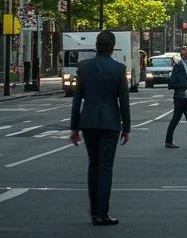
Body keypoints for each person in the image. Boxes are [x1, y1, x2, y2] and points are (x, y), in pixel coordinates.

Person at [69, 30, 131, 228]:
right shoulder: (119, 69)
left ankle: (95, 211)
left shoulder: (84, 67)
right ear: (113, 48)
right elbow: (124, 101)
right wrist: (126, 127)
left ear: (96, 46)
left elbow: (77, 98)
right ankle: (102, 213)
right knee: (105, 168)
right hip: (110, 122)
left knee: (93, 165)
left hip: (88, 122)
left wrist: (74, 127)